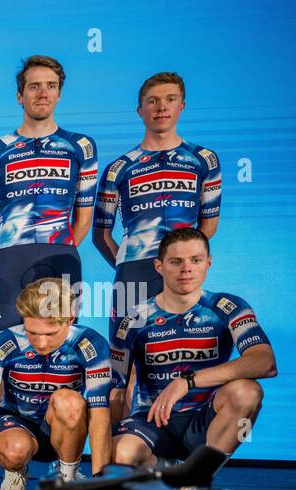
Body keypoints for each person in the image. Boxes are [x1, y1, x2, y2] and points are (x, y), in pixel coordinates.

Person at [110, 227, 275, 473]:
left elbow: (264, 362)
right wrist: (108, 463)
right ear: (158, 266)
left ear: (208, 263)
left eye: (195, 260)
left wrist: (186, 382)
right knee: (122, 454)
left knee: (247, 392)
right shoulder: (134, 319)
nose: (186, 269)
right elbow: (116, 391)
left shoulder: (226, 307)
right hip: (152, 420)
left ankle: (198, 478)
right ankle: (163, 469)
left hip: (205, 418)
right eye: (176, 261)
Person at [0, 277, 115, 490]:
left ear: (70, 319)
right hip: (16, 421)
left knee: (69, 401)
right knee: (14, 452)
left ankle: (68, 479)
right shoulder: (3, 343)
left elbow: (100, 415)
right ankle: (15, 471)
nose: (41, 343)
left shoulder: (90, 344)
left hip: (61, 425)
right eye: (32, 332)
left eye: (51, 333)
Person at [94, 73, 222, 340]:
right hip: (133, 271)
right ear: (140, 110)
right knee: (125, 360)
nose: (161, 107)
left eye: (170, 99)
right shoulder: (118, 169)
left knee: (181, 353)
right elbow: (100, 235)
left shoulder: (204, 160)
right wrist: (127, 265)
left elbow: (208, 226)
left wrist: (180, 261)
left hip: (180, 272)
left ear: (181, 106)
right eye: (152, 101)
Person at [0, 55, 98, 335]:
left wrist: (59, 247)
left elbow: (83, 219)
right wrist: (4, 258)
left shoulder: (80, 146)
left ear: (59, 94)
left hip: (60, 253)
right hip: (9, 258)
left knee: (61, 347)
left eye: (50, 86)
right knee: (4, 346)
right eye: (34, 87)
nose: (42, 93)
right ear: (20, 96)